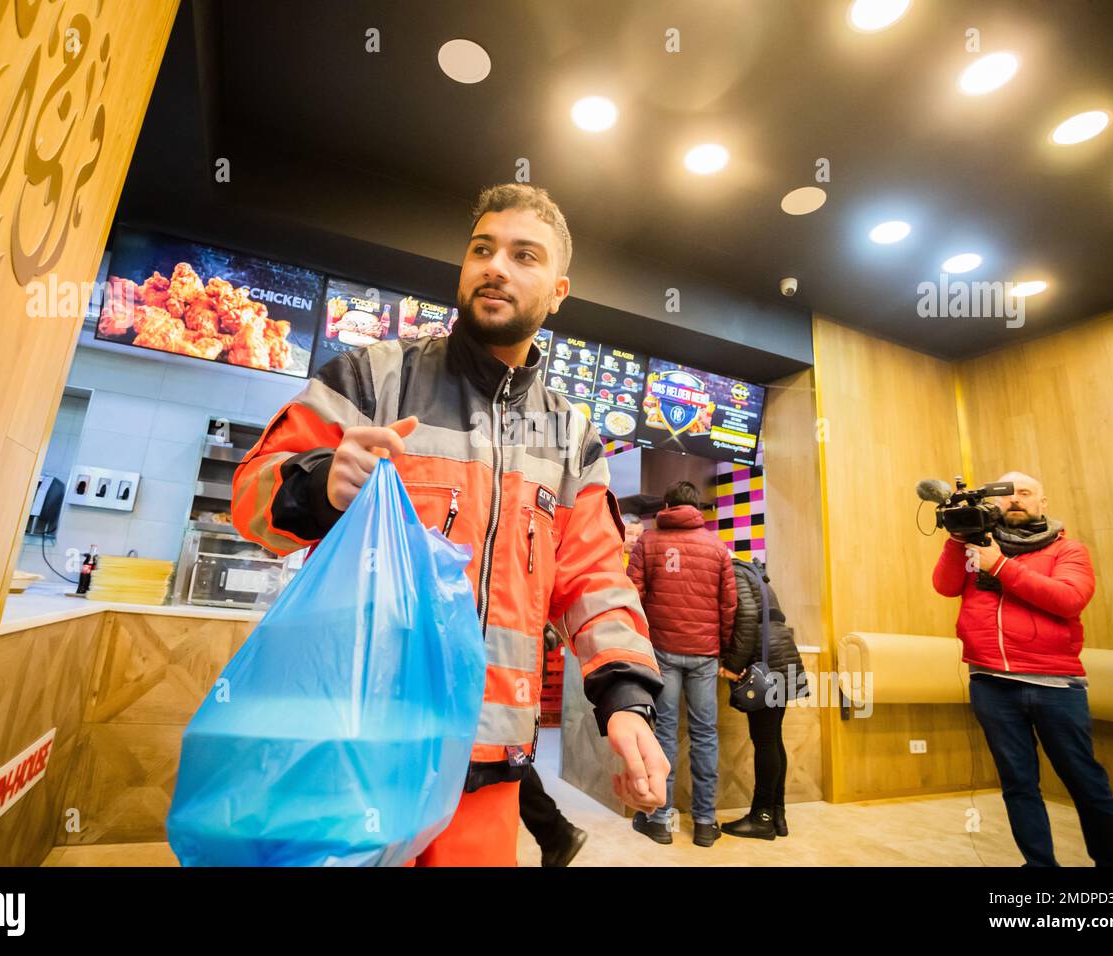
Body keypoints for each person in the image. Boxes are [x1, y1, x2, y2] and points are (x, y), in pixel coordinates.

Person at [232, 183, 668, 866]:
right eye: (482, 249)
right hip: (354, 749)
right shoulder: (370, 378)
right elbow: (251, 499)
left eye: (524, 256)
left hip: (491, 771)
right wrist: (319, 486)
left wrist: (625, 698)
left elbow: (594, 581)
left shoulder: (572, 438)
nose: (496, 266)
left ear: (558, 291)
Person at [932, 471, 1113, 867]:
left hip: (1055, 686)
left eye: (1025, 493)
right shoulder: (977, 547)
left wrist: (1001, 567)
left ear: (1042, 503)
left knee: (1086, 782)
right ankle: (1039, 865)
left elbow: (1069, 599)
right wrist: (957, 539)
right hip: (991, 683)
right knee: (1018, 785)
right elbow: (944, 586)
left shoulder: (1069, 550)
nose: (1015, 500)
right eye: (1007, 495)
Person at [625, 481, 737, 847]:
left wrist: (637, 641)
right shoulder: (717, 546)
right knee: (706, 734)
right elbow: (729, 606)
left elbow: (632, 594)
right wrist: (721, 650)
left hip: (662, 650)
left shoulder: (648, 542)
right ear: (696, 509)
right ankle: (705, 823)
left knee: (665, 733)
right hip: (704, 655)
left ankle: (660, 820)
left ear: (668, 505)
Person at [719, 557, 806, 839]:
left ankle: (761, 817)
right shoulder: (753, 572)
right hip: (782, 656)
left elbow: (745, 620)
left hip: (766, 661)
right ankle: (776, 814)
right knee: (773, 739)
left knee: (766, 740)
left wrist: (731, 665)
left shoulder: (733, 572)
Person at [518, 623, 588, 867]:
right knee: (510, 757)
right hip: (518, 669)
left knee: (509, 758)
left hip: (511, 675)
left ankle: (556, 833)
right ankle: (555, 834)